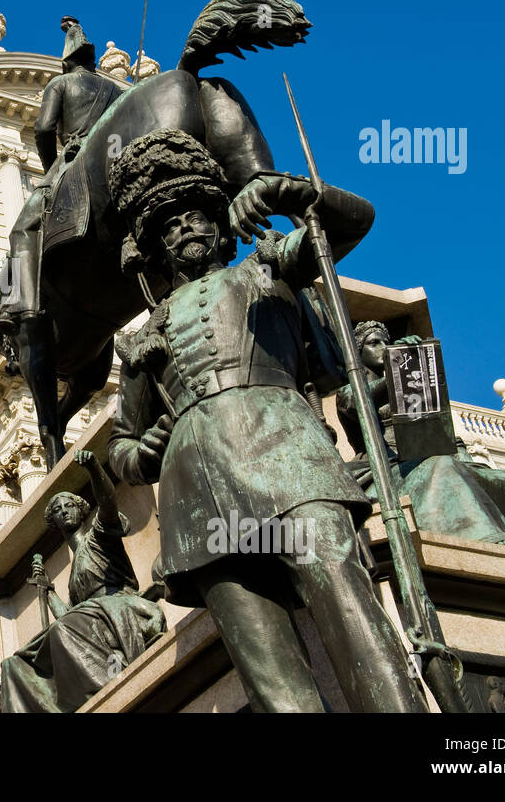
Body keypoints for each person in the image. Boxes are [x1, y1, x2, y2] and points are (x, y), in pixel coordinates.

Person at [106, 128, 427, 712]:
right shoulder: (141, 340)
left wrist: (286, 191)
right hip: (195, 488)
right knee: (267, 668)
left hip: (289, 457)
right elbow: (121, 450)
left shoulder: (268, 266)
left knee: (346, 598)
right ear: (157, 247)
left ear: (221, 221)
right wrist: (144, 450)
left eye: (196, 215)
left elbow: (355, 221)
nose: (185, 229)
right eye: (170, 226)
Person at [337, 321, 505, 551]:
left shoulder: (411, 389)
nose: (384, 347)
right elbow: (355, 403)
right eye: (374, 343)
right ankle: (485, 539)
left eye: (387, 342)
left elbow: (438, 430)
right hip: (386, 469)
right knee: (440, 465)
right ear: (358, 353)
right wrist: (399, 367)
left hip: (424, 458)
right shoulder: (348, 391)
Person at [0, 449, 165, 712]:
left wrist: (94, 469)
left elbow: (108, 502)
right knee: (14, 664)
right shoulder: (75, 572)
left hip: (120, 607)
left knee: (61, 631)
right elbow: (69, 614)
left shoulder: (99, 537)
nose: (64, 511)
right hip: (91, 618)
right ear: (54, 522)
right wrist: (48, 591)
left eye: (69, 505)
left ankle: (102, 684)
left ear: (81, 509)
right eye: (57, 511)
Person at [0, 16, 122, 333]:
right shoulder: (116, 90)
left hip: (74, 159)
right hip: (114, 163)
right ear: (92, 61)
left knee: (22, 230)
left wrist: (52, 167)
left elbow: (44, 128)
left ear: (67, 62)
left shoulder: (60, 84)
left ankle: (16, 303)